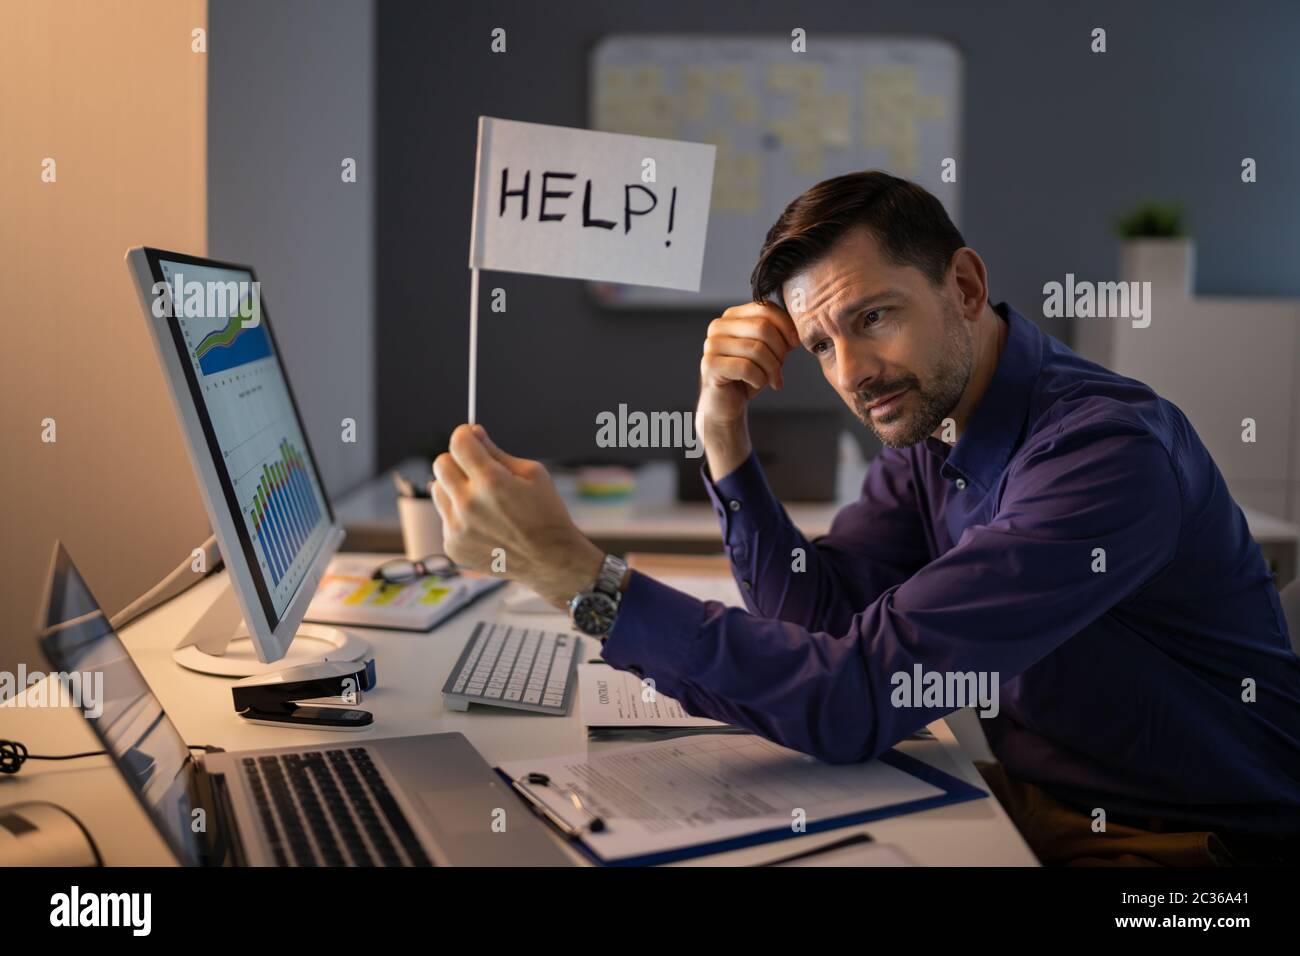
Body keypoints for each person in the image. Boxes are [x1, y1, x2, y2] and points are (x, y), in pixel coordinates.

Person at [431, 171, 1300, 865]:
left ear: (963, 285)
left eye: (872, 317)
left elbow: (851, 696)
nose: (851, 373)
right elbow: (818, 611)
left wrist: (576, 575)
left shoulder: (1103, 454)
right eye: (819, 345)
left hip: (1197, 853)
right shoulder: (936, 419)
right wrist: (723, 435)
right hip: (1055, 802)